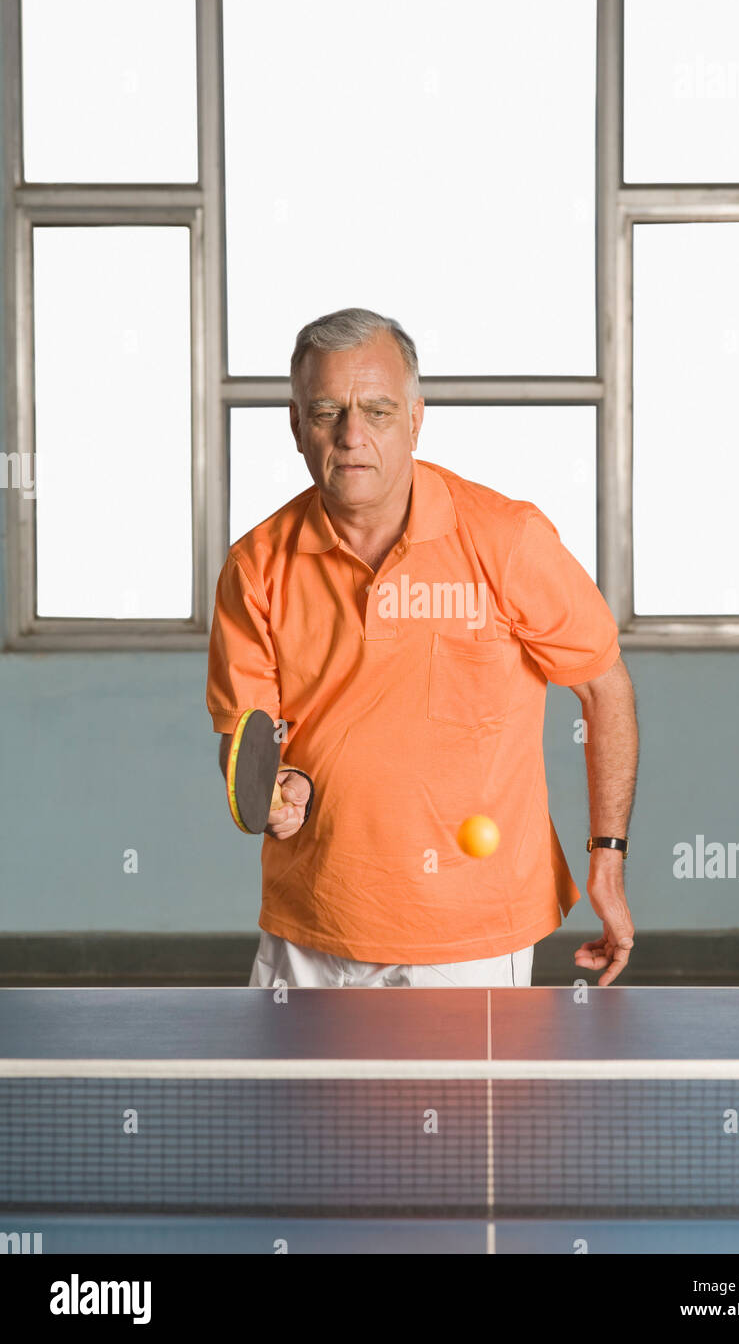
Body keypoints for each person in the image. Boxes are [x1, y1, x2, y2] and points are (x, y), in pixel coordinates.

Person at [207, 307, 638, 989]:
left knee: (460, 1102)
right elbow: (248, 736)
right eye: (327, 413)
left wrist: (606, 859)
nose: (352, 436)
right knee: (288, 1102)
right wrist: (278, 789)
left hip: (471, 929)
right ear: (296, 427)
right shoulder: (256, 564)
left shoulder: (507, 539)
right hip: (310, 925)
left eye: (377, 411)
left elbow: (602, 686)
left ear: (414, 420)